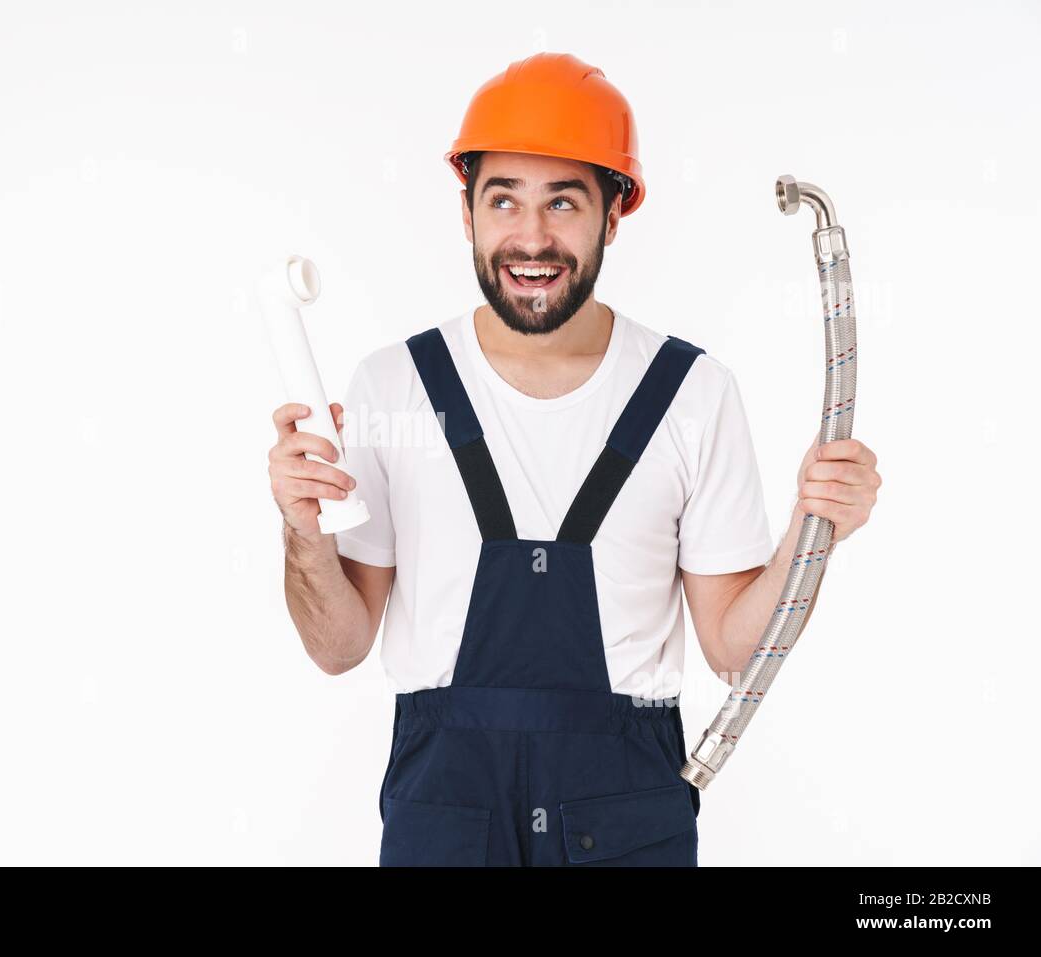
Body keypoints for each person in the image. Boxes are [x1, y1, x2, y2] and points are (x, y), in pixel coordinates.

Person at [266, 52, 880, 866]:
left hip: (626, 822)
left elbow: (736, 650)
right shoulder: (394, 387)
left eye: (563, 201)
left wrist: (815, 528)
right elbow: (337, 646)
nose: (531, 236)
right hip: (446, 817)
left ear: (614, 215)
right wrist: (305, 535)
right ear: (466, 212)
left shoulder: (692, 395)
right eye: (504, 199)